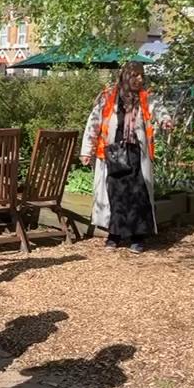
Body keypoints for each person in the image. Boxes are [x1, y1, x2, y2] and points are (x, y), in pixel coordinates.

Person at [80, 62, 172, 254]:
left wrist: (165, 120)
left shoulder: (146, 97)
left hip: (136, 153)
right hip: (113, 153)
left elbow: (159, 109)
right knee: (115, 193)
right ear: (125, 76)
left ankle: (138, 237)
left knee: (138, 193)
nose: (139, 79)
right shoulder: (108, 97)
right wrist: (86, 151)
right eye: (135, 75)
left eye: (141, 75)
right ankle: (114, 235)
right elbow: (93, 123)